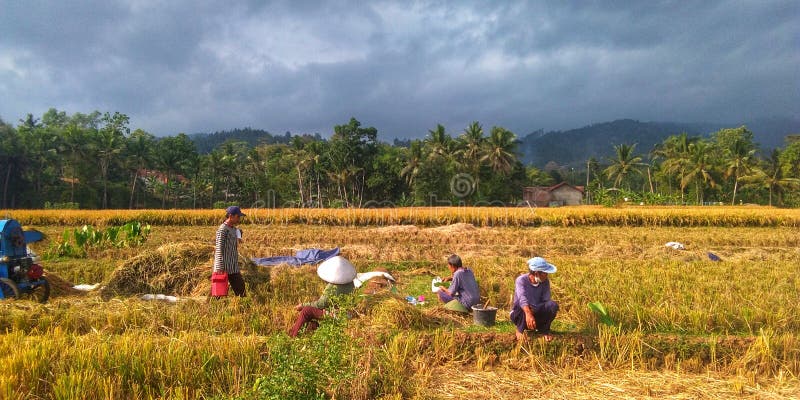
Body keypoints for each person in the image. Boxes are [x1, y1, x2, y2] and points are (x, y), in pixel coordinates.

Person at [289, 256, 356, 337]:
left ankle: (293, 336)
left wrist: (302, 305)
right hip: (347, 314)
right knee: (314, 317)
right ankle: (312, 329)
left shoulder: (332, 287)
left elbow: (321, 304)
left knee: (307, 311)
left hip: (338, 315)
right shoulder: (350, 283)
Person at [510, 257, 559, 342]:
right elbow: (522, 298)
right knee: (522, 304)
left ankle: (544, 330)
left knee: (552, 305)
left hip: (535, 313)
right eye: (545, 273)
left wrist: (534, 309)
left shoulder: (545, 282)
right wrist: (528, 312)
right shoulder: (521, 280)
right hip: (521, 315)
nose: (547, 275)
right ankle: (520, 330)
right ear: (537, 273)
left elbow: (546, 301)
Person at [212, 206, 247, 297]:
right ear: (231, 216)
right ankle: (214, 307)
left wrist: (239, 235)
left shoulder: (232, 229)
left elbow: (237, 231)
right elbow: (219, 248)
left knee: (241, 289)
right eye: (238, 216)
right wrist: (219, 267)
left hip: (232, 266)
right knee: (220, 292)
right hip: (223, 267)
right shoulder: (222, 229)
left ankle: (243, 307)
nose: (239, 219)